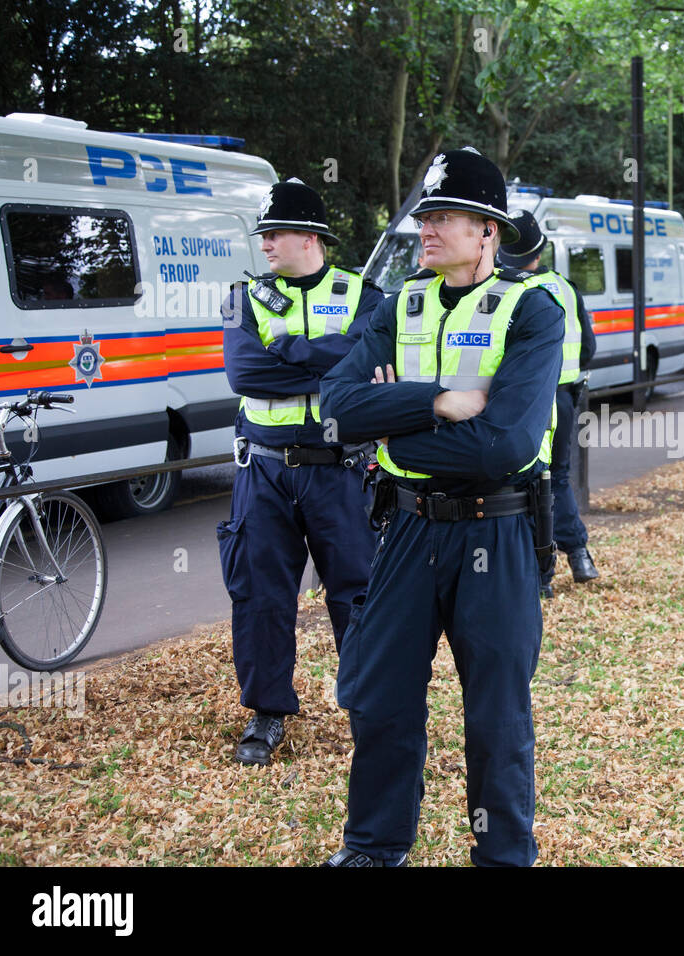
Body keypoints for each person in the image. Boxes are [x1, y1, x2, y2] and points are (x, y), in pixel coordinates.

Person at [317, 147, 565, 867]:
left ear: (488, 229)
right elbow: (335, 407)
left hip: (499, 529)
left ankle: (501, 856)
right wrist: (437, 403)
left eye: (444, 215)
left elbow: (503, 446)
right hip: (406, 528)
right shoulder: (400, 304)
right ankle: (374, 847)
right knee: (380, 698)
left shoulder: (533, 310)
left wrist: (390, 421)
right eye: (424, 214)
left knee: (496, 715)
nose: (426, 227)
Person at [217, 179, 382, 767]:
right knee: (260, 594)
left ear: (309, 236)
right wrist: (329, 362)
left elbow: (369, 359)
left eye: (274, 232)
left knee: (358, 595)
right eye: (261, 233)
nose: (264, 243)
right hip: (263, 471)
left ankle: (371, 708)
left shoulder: (364, 293)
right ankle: (267, 712)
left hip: (340, 472)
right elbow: (245, 375)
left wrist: (288, 347)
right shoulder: (243, 296)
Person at [497, 208, 600, 598]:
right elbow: (588, 348)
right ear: (539, 252)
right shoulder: (566, 288)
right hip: (565, 397)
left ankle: (542, 574)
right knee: (556, 478)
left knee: (526, 482)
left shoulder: (506, 290)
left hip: (525, 401)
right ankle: (578, 554)